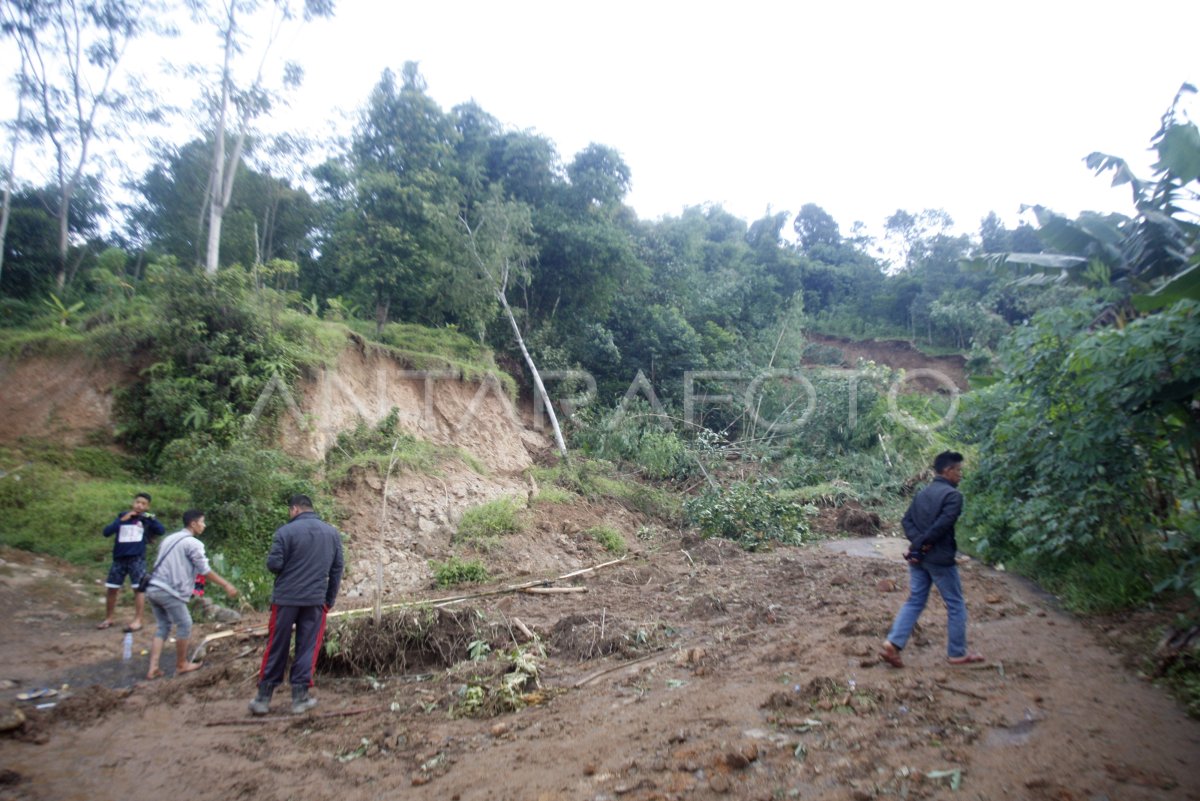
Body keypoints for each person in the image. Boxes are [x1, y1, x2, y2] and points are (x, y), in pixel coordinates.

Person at [880, 451, 984, 668]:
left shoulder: (922, 493)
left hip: (919, 558)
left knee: (915, 600)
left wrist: (918, 544)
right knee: (955, 603)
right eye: (958, 470)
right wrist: (924, 543)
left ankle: (893, 643)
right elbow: (942, 526)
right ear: (947, 471)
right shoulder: (953, 496)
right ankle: (957, 653)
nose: (960, 475)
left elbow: (906, 521)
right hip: (939, 558)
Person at [248, 494, 344, 716]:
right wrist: (329, 599)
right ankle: (299, 699)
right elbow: (337, 569)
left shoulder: (285, 532)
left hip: (285, 600)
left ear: (295, 509)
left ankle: (263, 698)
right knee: (308, 647)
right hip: (315, 601)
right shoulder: (331, 533)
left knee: (276, 645)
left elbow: (274, 564)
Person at [143, 509, 237, 679]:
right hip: (170, 590)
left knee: (163, 626)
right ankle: (181, 664)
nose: (204, 525)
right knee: (185, 624)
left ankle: (153, 667)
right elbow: (204, 570)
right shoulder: (193, 543)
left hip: (153, 588)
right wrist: (226, 584)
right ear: (193, 524)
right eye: (202, 522)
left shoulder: (169, 539)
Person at [99, 492, 165, 631]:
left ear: (147, 507)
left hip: (137, 558)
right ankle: (109, 618)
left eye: (143, 504)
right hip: (119, 558)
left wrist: (150, 519)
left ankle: (138, 620)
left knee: (139, 589)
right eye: (138, 502)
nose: (139, 505)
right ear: (133, 503)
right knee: (112, 588)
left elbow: (161, 530)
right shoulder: (123, 517)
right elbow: (106, 532)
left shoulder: (147, 520)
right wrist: (122, 520)